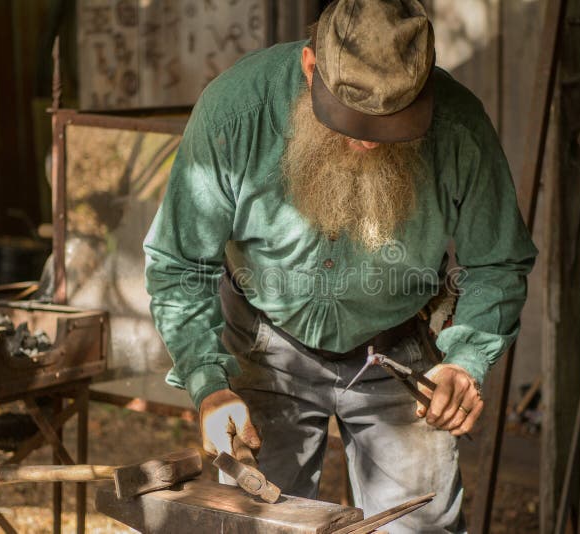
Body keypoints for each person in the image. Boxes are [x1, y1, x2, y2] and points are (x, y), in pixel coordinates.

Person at [144, 1, 537, 531]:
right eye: (353, 119)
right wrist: (209, 384)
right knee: (258, 525)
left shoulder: (458, 126)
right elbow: (179, 261)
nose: (371, 138)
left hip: (400, 353)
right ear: (312, 68)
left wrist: (466, 361)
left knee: (423, 526)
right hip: (264, 345)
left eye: (393, 122)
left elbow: (498, 262)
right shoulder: (236, 113)